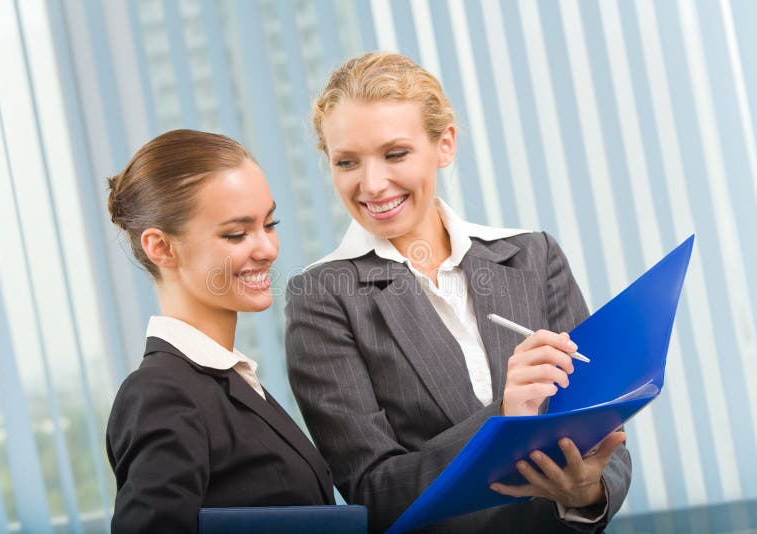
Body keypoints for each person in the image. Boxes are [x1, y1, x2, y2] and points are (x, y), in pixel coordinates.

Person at [285, 53, 631, 533]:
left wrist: (587, 493)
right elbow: (374, 490)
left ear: (444, 144)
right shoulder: (324, 297)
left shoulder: (532, 256)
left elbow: (604, 427)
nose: (372, 183)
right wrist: (505, 420)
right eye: (347, 162)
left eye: (395, 154)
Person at [105, 129, 334, 533]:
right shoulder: (164, 394)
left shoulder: (228, 379)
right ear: (161, 247)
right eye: (236, 234)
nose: (267, 249)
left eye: (269, 224)